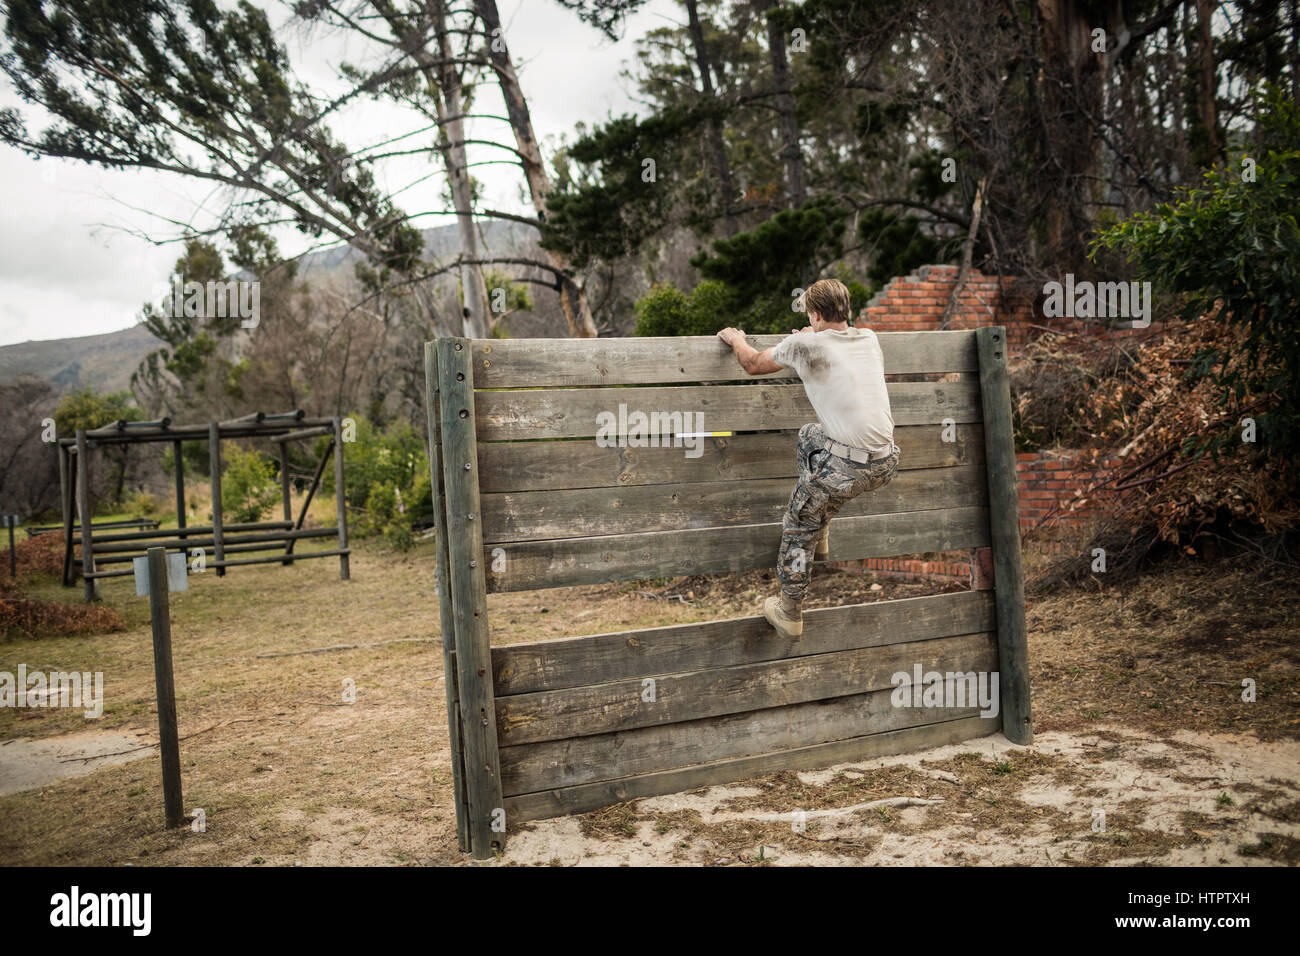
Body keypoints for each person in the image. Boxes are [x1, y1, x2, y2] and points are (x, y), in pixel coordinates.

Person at [717, 278, 899, 638]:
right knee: (809, 436)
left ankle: (789, 609)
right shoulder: (869, 339)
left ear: (814, 313)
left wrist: (735, 338)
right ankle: (824, 525)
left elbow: (752, 364)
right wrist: (808, 338)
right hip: (887, 461)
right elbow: (830, 352)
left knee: (798, 525)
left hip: (848, 468)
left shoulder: (804, 345)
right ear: (845, 308)